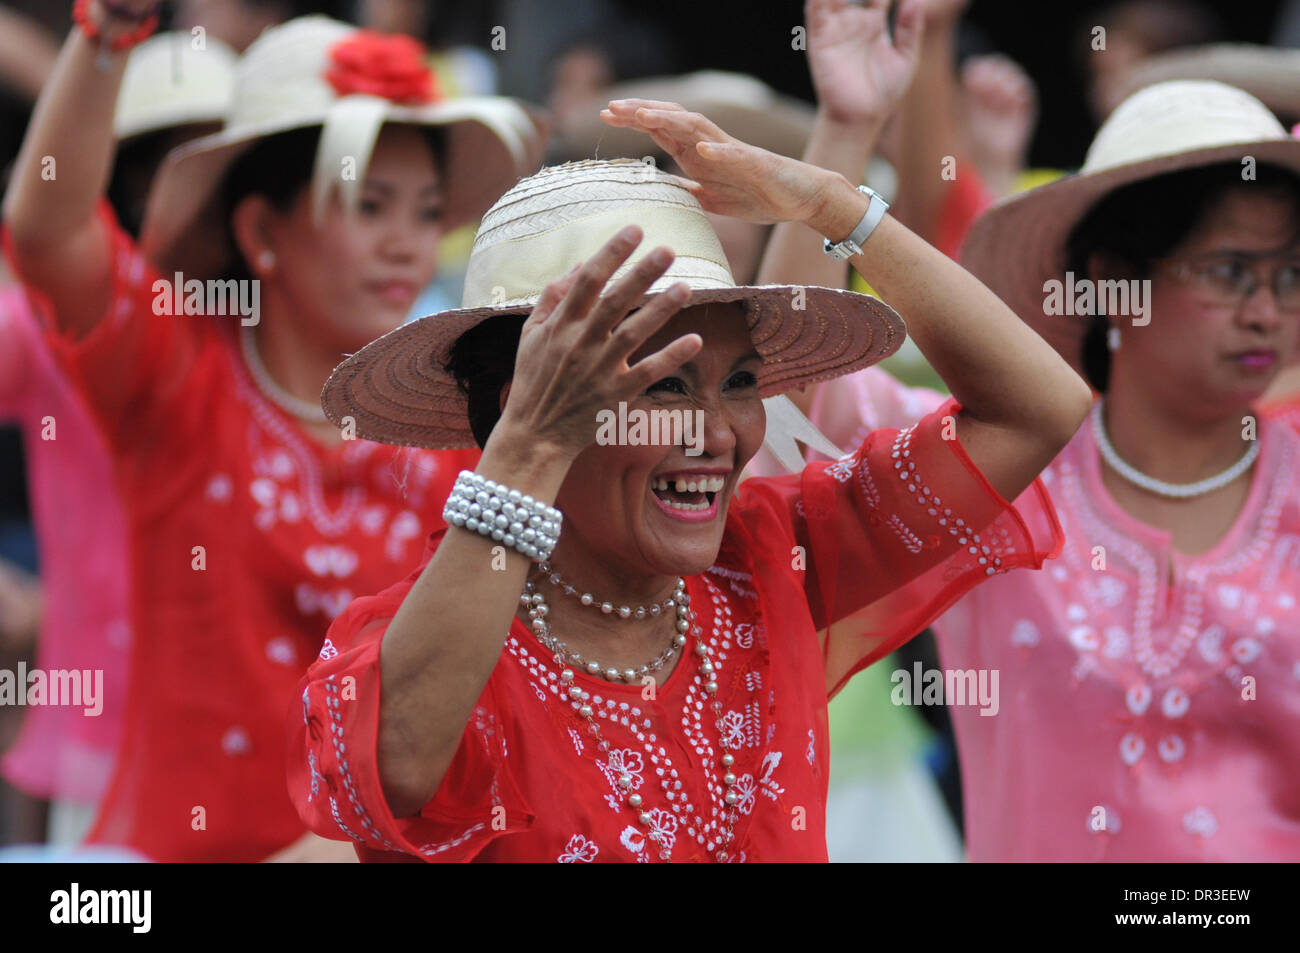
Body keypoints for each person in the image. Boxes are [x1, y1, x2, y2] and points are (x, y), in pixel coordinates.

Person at [287, 71, 1094, 859]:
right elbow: (392, 771)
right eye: (665, 384)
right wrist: (527, 447)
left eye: (739, 382)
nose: (717, 433)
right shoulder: (426, 643)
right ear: (533, 399)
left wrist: (833, 208)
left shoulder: (773, 557)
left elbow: (1039, 407)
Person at [2, 8, 541, 861]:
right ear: (260, 231)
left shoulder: (464, 423)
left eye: (426, 211)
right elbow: (44, 229)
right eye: (369, 204)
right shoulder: (174, 366)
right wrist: (104, 36)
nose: (406, 244)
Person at [931, 80, 1300, 860]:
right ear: (1111, 277)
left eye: (1291, 276)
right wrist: (845, 150)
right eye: (1231, 272)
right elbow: (801, 399)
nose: (1267, 310)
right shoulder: (997, 481)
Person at [0, 30, 235, 850]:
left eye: (218, 172)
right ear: (122, 179)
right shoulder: (44, 319)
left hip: (262, 749)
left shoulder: (279, 326)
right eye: (165, 167)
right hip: (98, 737)